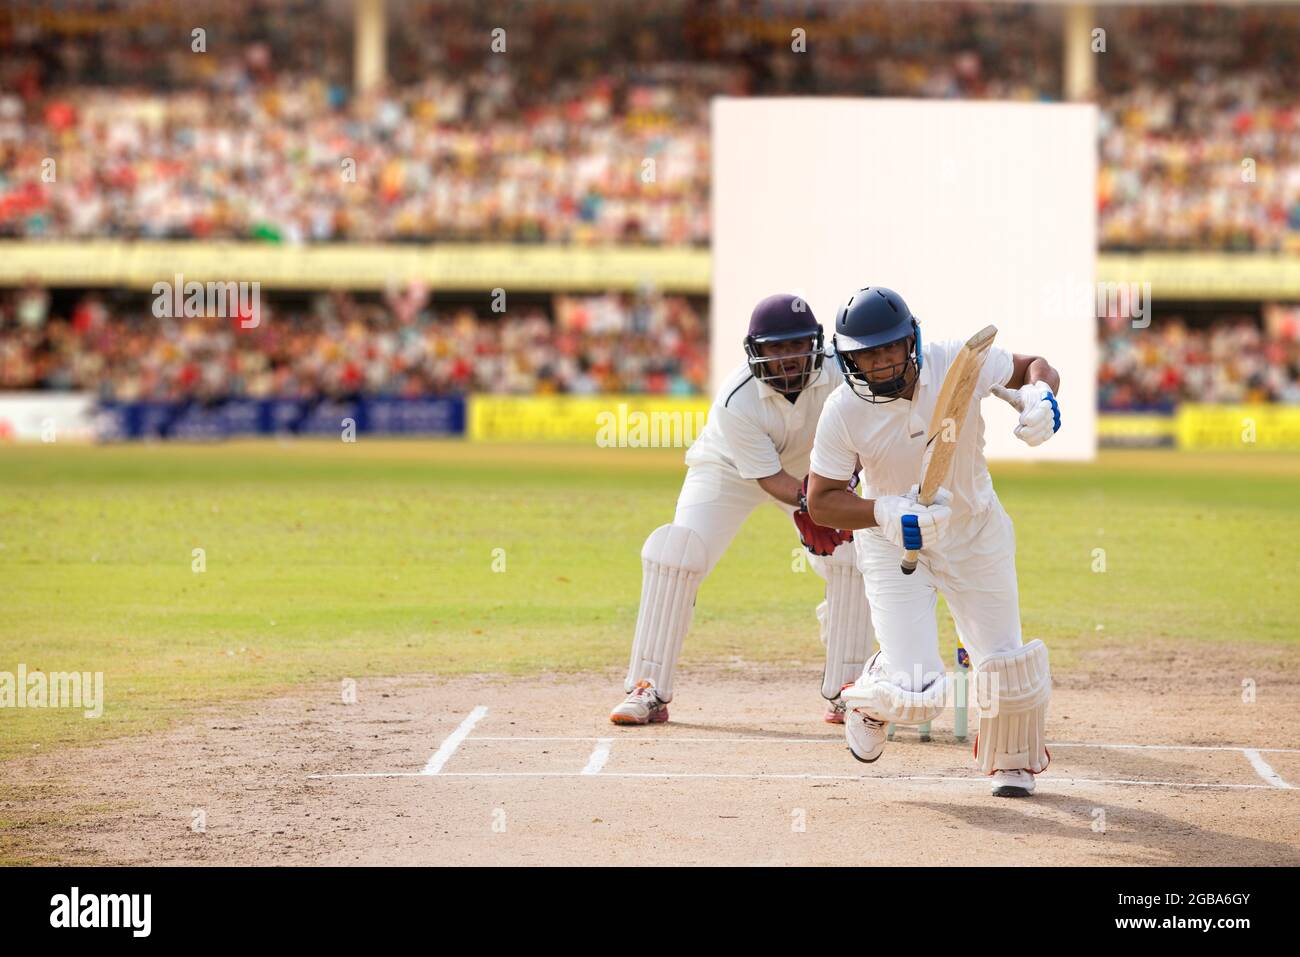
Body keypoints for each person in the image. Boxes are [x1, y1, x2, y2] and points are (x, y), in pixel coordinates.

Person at [806, 287, 1061, 797]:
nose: (879, 363)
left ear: (911, 341)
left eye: (889, 349)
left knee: (1005, 665)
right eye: (866, 354)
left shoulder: (954, 361)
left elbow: (1033, 365)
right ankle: (869, 692)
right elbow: (821, 501)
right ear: (848, 359)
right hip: (892, 541)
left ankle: (1011, 763)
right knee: (919, 693)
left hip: (974, 530)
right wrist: (881, 510)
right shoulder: (842, 410)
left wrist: (1041, 396)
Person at [611, 294, 874, 725]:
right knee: (677, 553)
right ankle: (648, 689)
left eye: (798, 345)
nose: (790, 357)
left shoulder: (843, 374)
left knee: (851, 556)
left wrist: (836, 492)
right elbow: (768, 478)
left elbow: (865, 439)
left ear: (816, 342)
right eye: (777, 347)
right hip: (729, 469)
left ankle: (848, 686)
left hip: (817, 469)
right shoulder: (738, 399)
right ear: (758, 351)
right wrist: (812, 504)